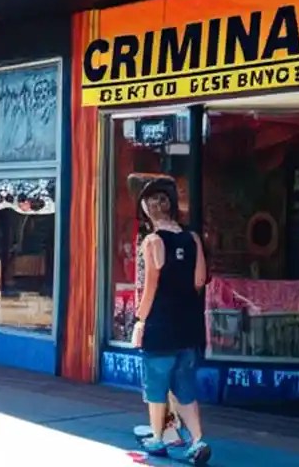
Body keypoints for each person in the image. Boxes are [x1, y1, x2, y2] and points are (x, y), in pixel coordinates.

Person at [131, 178, 211, 465]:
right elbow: (200, 280)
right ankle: (197, 439)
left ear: (148, 211)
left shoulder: (152, 241)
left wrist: (140, 320)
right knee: (185, 388)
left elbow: (150, 286)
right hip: (188, 326)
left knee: (155, 385)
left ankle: (157, 437)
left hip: (161, 326)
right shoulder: (193, 239)